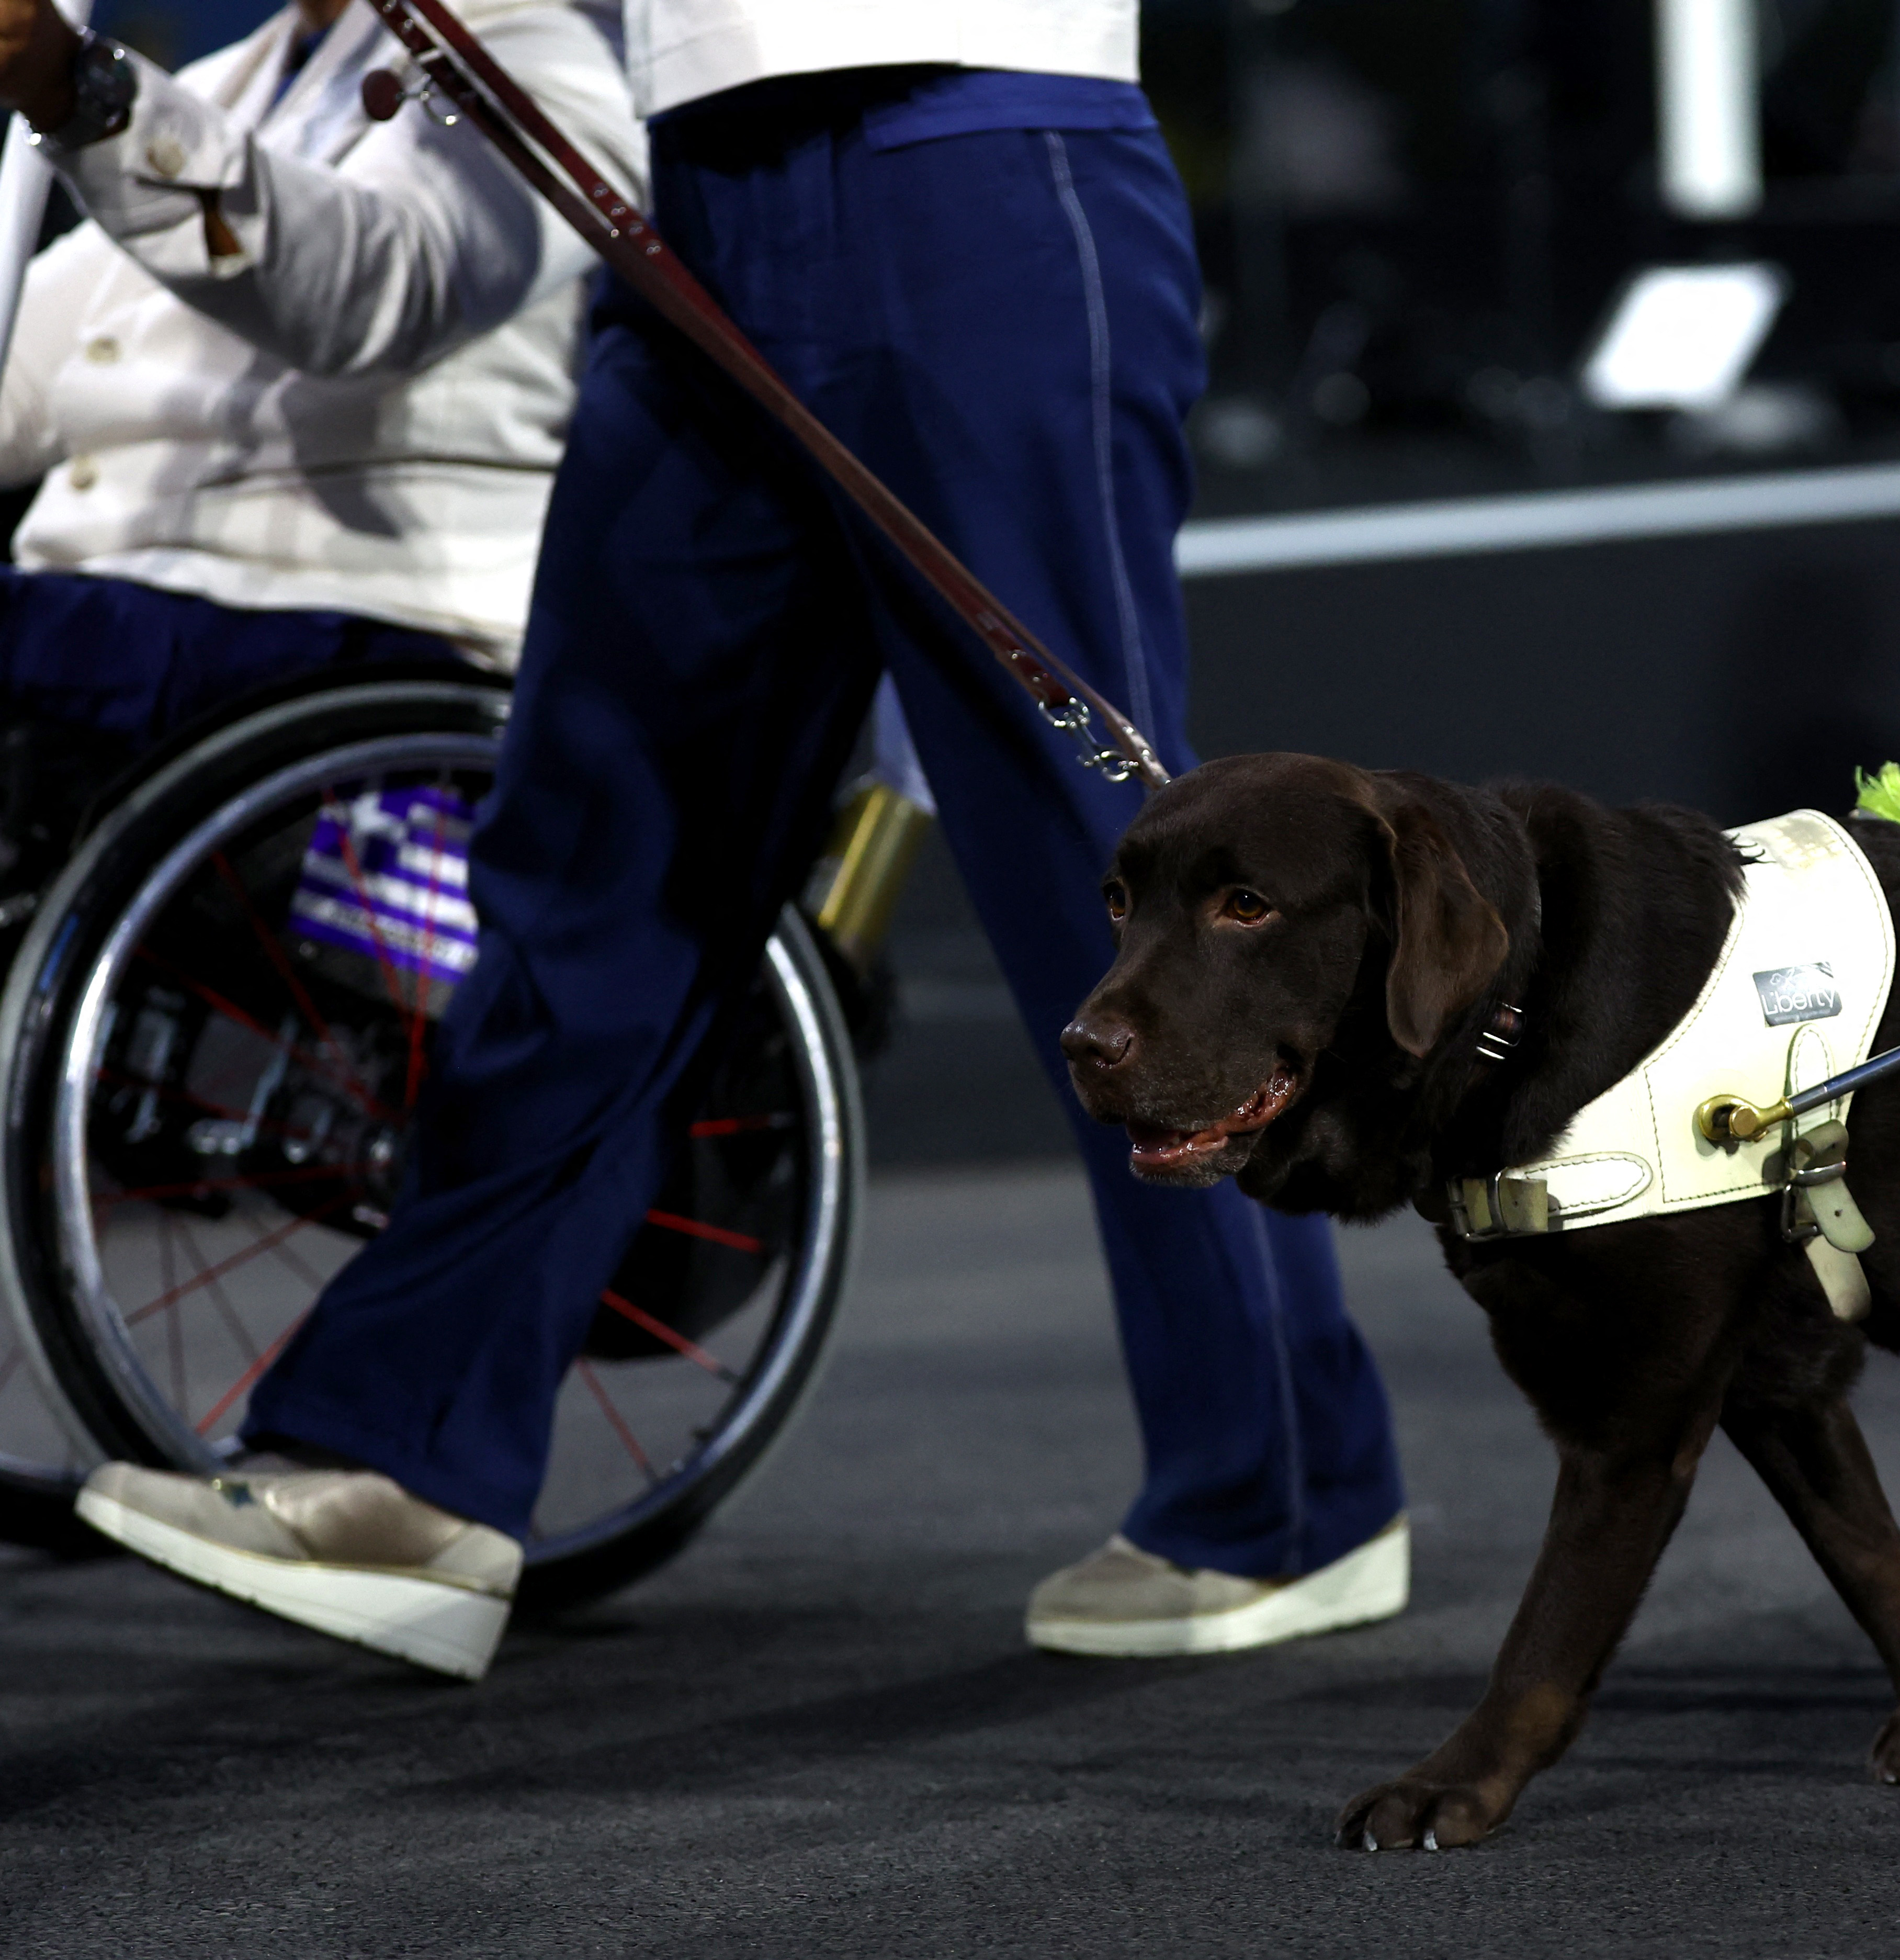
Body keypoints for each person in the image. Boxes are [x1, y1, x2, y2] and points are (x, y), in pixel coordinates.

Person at [65, 0, 1410, 1677]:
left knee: (1114, 881)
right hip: (700, 183)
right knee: (600, 858)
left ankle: (1289, 1488)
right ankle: (404, 1464)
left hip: (970, 142)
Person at [0, 0, 641, 894]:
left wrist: (75, 91)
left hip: (332, 639)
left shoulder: (561, 45)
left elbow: (378, 289)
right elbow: (23, 376)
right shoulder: (244, 74)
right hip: (130, 623)